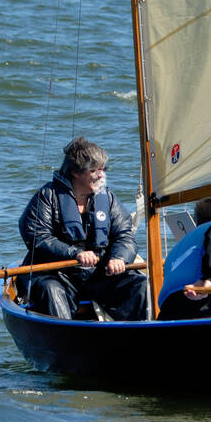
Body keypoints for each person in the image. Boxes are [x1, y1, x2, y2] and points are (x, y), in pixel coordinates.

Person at [18, 137, 147, 322]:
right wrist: (75, 254)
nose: (101, 175)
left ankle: (141, 336)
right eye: (94, 170)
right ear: (76, 172)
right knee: (51, 291)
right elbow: (38, 238)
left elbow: (124, 235)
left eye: (102, 169)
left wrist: (120, 257)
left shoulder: (108, 199)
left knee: (141, 286)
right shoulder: (47, 197)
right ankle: (64, 341)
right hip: (58, 275)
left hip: (100, 274)